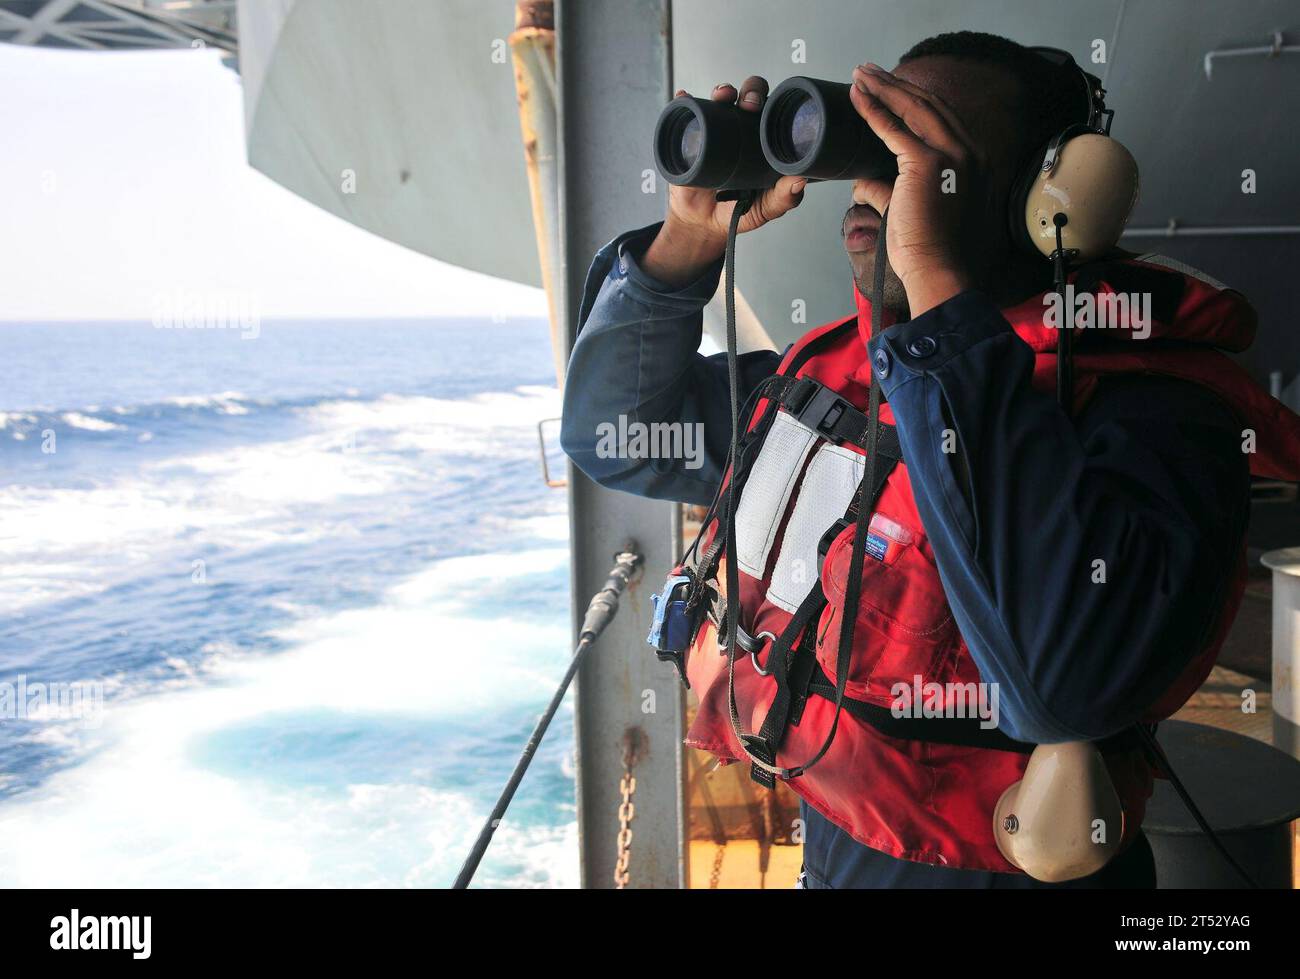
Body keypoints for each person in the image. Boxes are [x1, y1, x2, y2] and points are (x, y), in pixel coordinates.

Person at [560, 31, 1300, 887]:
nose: (883, 183)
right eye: (873, 140)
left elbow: (1065, 685)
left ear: (1044, 201)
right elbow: (614, 434)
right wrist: (687, 239)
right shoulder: (834, 383)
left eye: (924, 151)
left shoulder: (1159, 411)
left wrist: (935, 293)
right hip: (837, 852)